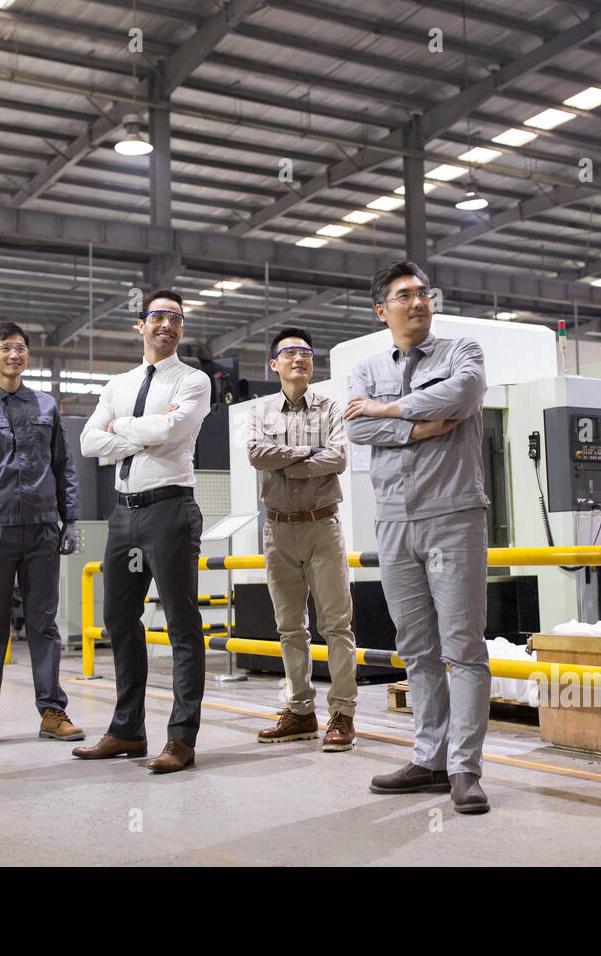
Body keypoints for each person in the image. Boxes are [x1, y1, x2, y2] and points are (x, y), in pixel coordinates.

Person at [343, 259, 492, 814]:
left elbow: (465, 395)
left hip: (454, 515)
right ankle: (430, 759)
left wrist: (388, 411)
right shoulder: (364, 367)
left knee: (464, 648)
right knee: (418, 649)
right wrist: (419, 426)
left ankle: (465, 769)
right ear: (382, 310)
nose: (419, 301)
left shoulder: (462, 353)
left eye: (424, 293)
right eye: (405, 295)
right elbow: (354, 427)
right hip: (393, 520)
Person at [74, 290, 211, 773]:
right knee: (118, 619)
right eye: (158, 317)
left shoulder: (194, 381)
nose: (167, 325)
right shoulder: (119, 382)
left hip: (170, 510)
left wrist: (123, 428)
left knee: (181, 624)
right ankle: (128, 729)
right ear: (140, 325)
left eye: (176, 318)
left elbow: (174, 432)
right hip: (124, 514)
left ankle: (181, 738)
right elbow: (90, 441)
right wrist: (141, 429)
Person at [0, 321, 81, 748]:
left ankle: (51, 710)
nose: (14, 355)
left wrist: (71, 519)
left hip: (42, 529)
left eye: (21, 348)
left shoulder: (45, 406)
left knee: (43, 624)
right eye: (5, 348)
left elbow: (64, 466)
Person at [246, 327, 358, 751]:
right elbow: (256, 454)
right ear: (274, 364)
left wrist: (287, 463)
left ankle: (342, 715)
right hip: (278, 529)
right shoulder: (260, 412)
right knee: (290, 627)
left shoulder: (331, 409)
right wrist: (309, 456)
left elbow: (340, 457)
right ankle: (300, 710)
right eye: (290, 352)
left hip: (322, 527)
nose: (300, 358)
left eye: (307, 353)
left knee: (336, 626)